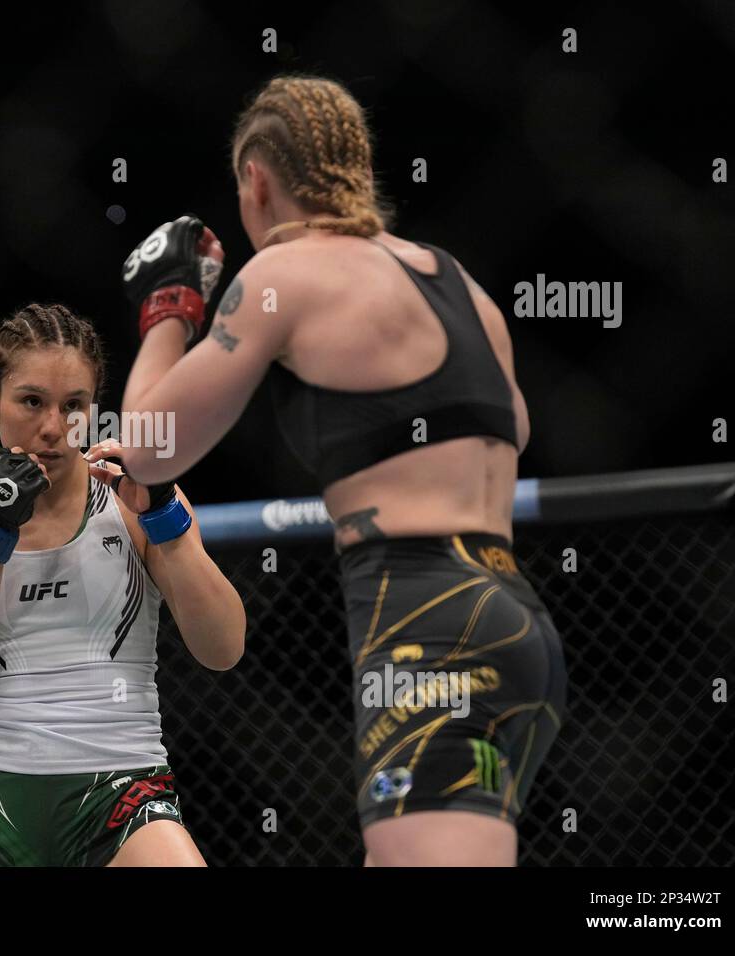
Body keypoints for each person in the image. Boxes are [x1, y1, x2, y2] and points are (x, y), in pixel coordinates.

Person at [112, 75, 567, 866]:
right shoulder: (460, 284)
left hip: (423, 620)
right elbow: (515, 429)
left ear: (257, 180)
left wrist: (167, 312)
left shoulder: (285, 276)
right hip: (517, 624)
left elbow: (146, 450)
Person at [0, 303, 245, 866]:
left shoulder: (135, 503)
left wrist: (167, 521)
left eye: (73, 406)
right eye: (32, 401)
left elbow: (224, 648)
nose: (53, 428)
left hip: (124, 795)